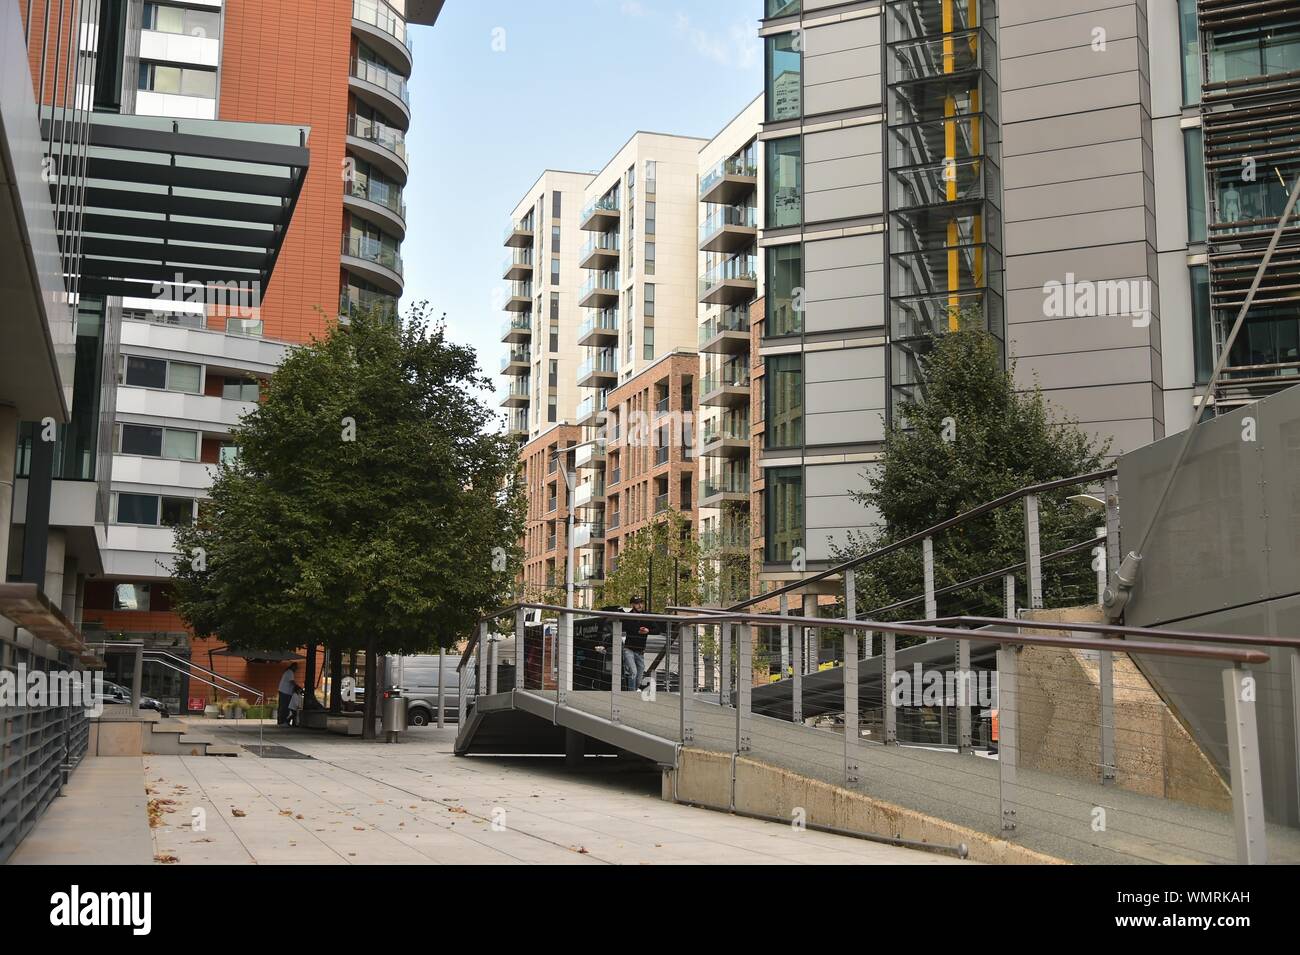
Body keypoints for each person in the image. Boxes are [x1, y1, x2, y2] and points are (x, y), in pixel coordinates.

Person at [622, 595, 658, 691]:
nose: (640, 605)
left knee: (639, 677)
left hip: (640, 651)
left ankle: (634, 690)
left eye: (641, 603)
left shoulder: (646, 615)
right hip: (629, 649)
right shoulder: (628, 616)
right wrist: (638, 630)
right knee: (633, 672)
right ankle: (631, 694)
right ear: (632, 604)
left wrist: (648, 630)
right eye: (637, 603)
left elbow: (657, 629)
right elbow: (625, 627)